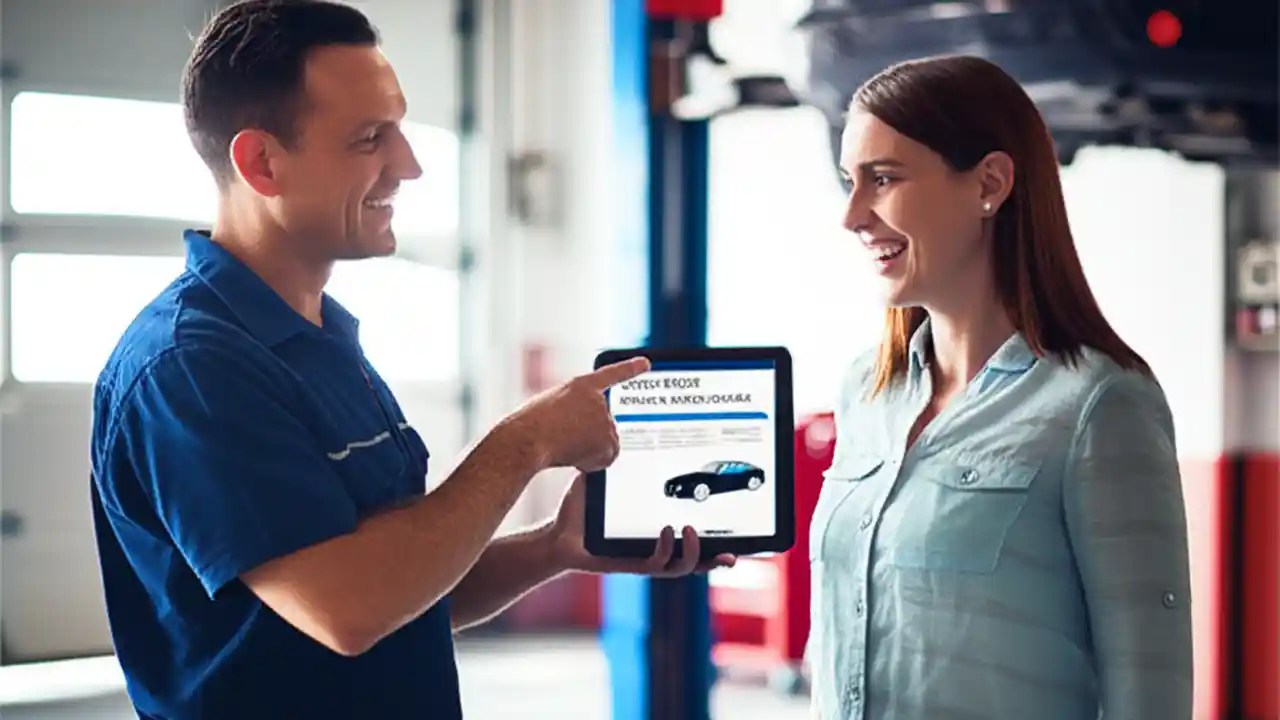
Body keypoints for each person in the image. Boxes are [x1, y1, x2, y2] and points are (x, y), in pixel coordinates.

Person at [88, 1, 733, 717]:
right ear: (262, 162)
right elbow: (350, 609)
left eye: (399, 129)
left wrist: (555, 546)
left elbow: (406, 591)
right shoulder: (192, 367)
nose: (410, 165)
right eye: (371, 138)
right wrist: (526, 441)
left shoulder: (319, 340)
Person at [809, 55, 1193, 720]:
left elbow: (1149, 690)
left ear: (989, 183)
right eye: (850, 181)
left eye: (884, 178)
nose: (852, 216)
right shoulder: (866, 391)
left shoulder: (1098, 405)